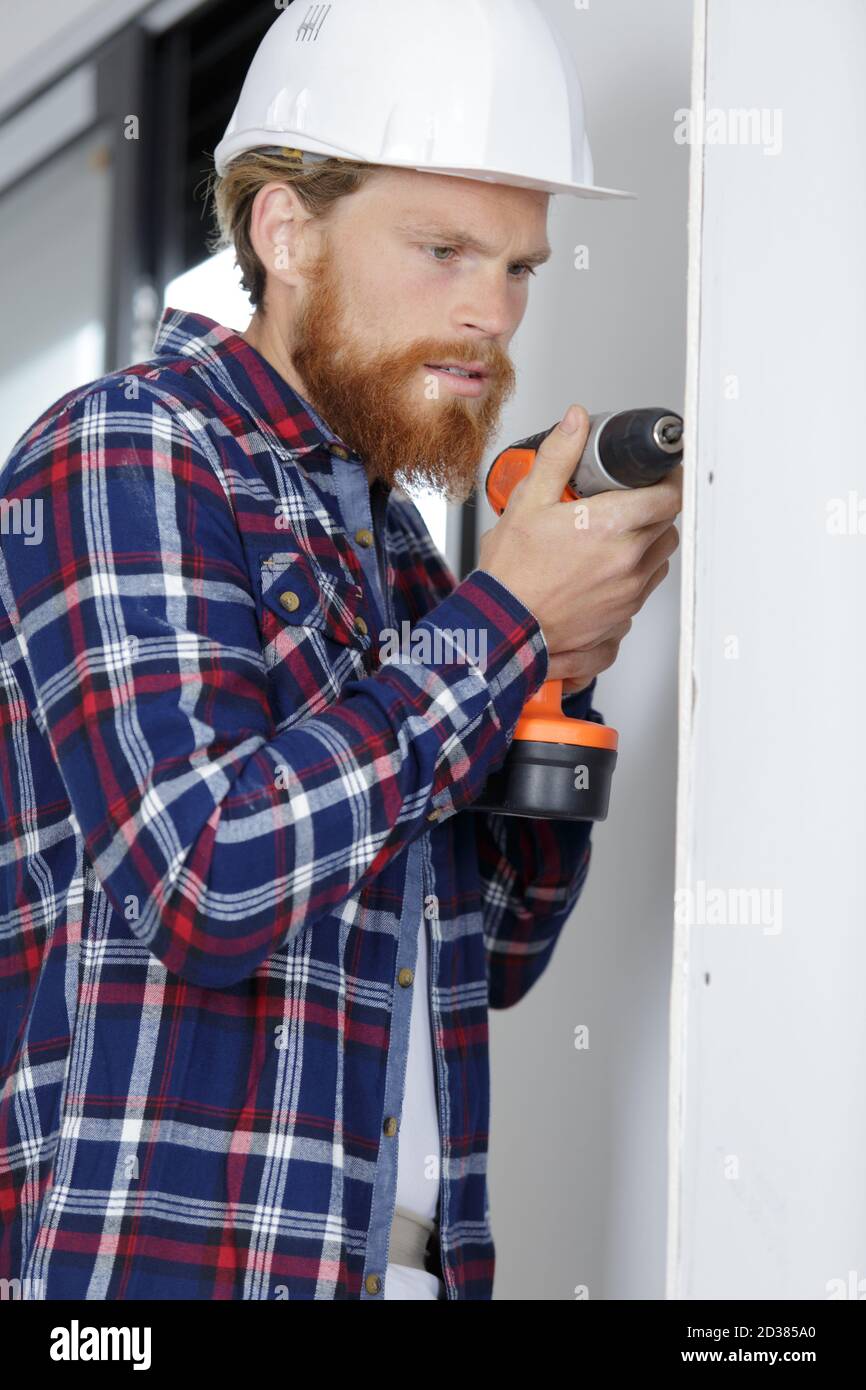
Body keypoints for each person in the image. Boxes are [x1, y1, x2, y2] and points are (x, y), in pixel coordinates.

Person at [0, 0, 681, 1299]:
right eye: (441, 250)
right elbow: (204, 881)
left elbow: (497, 942)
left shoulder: (402, 559)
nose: (491, 313)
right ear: (285, 229)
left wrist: (559, 679)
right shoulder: (127, 452)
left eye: (519, 266)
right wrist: (507, 622)